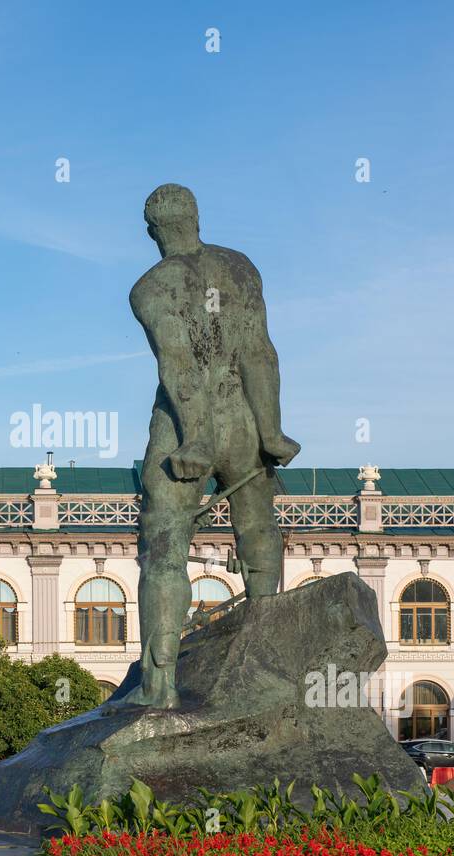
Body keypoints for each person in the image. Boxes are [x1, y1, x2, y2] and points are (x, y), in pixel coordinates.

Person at [121, 184, 300, 709]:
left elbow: (178, 365)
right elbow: (260, 352)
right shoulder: (240, 268)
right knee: (259, 533)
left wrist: (196, 437)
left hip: (183, 427)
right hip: (244, 418)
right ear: (197, 218)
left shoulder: (151, 287)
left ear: (153, 230)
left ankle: (159, 687)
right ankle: (270, 675)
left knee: (164, 549)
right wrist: (271, 431)